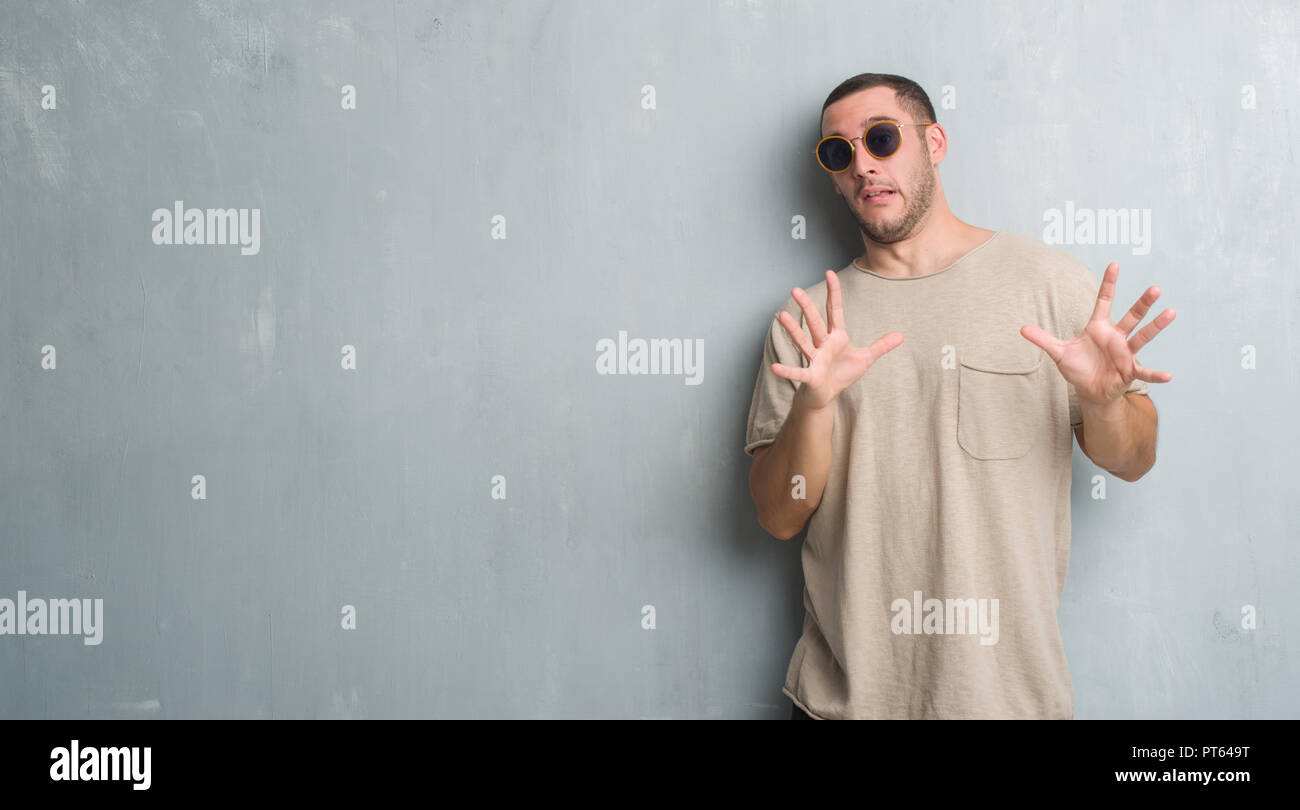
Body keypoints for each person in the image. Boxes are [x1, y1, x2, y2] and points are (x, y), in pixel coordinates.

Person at [745, 73, 1175, 720]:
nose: (862, 163)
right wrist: (814, 408)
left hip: (1007, 702)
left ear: (934, 142)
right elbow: (778, 515)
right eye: (839, 152)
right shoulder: (807, 324)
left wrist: (1106, 402)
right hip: (849, 705)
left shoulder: (1050, 284)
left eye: (881, 139)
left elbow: (1134, 460)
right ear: (832, 177)